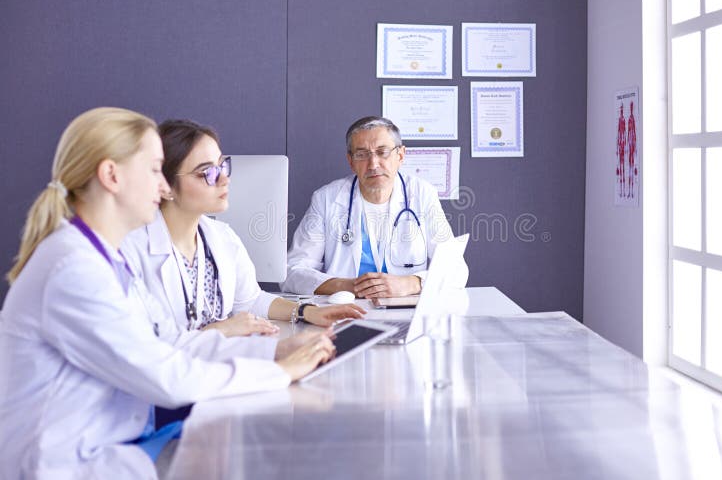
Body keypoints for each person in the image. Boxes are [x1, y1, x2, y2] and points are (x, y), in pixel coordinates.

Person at [0, 108, 334, 478]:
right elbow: (166, 375)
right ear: (111, 175)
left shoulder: (102, 257)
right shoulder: (73, 270)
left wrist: (273, 350)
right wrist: (279, 373)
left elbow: (170, 341)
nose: (163, 187)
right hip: (65, 462)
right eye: (155, 169)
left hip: (113, 442)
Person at [123, 119, 365, 338]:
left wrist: (308, 312)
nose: (224, 179)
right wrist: (220, 331)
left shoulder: (220, 238)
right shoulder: (130, 249)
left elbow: (250, 300)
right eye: (207, 173)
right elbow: (140, 345)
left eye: (222, 166)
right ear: (164, 185)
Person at [281, 116, 468, 297]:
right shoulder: (327, 199)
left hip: (407, 308)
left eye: (382, 152)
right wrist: (345, 285)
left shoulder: (422, 194)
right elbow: (292, 272)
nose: (373, 164)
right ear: (351, 161)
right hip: (344, 310)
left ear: (400, 155)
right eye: (362, 154)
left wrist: (410, 283)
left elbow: (456, 269)